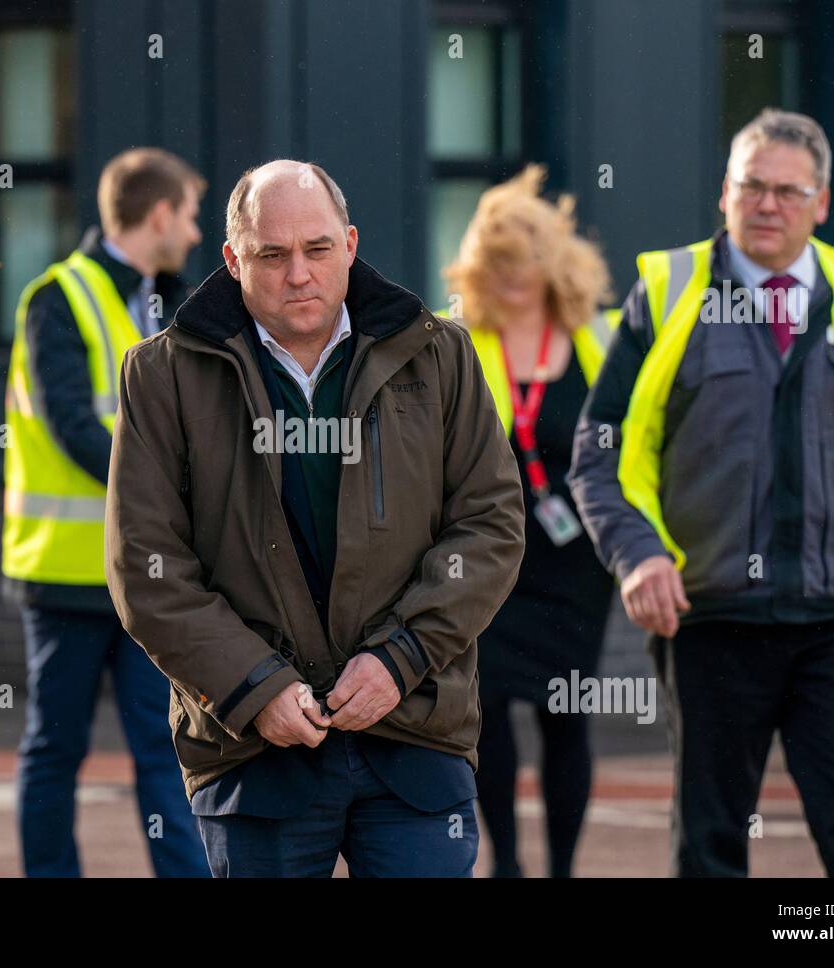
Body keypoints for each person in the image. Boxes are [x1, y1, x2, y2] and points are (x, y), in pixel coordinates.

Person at [105, 159, 527, 877]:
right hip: (253, 752)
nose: (298, 274)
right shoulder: (163, 375)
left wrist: (402, 658)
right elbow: (147, 570)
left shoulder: (441, 354)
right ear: (234, 259)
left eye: (318, 249)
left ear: (351, 244)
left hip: (415, 734)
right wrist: (256, 687)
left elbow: (489, 525)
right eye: (272, 255)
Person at [569, 108, 834, 877]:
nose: (767, 204)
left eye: (788, 191)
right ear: (724, 192)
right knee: (710, 844)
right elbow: (596, 452)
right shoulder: (667, 294)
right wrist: (637, 556)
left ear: (822, 203)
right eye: (752, 187)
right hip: (711, 619)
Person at [2, 147, 209, 877]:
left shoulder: (172, 304)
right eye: (186, 214)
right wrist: (163, 485)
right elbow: (71, 425)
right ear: (157, 214)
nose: (192, 232)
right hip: (65, 574)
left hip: (149, 576)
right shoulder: (57, 297)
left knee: (166, 746)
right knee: (57, 749)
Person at [444, 165, 618, 877]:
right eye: (500, 266)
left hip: (577, 565)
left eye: (526, 265)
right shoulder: (458, 339)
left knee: (565, 714)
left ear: (554, 263)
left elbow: (634, 442)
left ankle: (563, 867)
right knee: (485, 707)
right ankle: (508, 863)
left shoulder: (600, 339)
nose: (514, 280)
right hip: (490, 557)